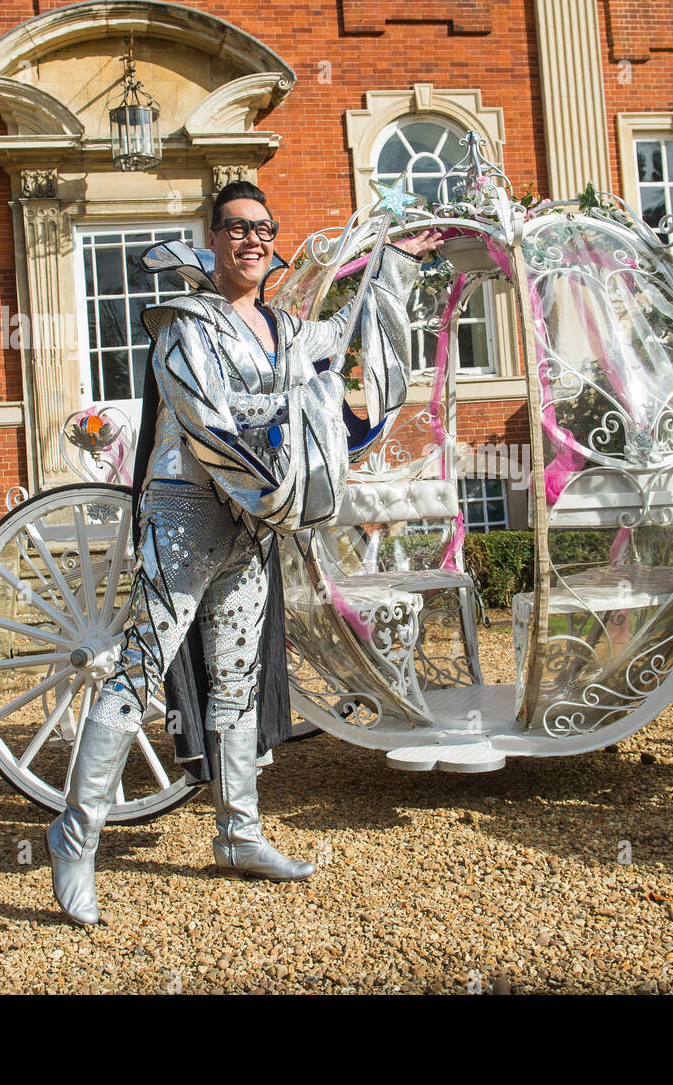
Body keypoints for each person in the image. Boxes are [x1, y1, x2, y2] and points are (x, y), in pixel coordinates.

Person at [45, 181, 441, 925]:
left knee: (237, 680)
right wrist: (284, 502)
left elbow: (363, 357)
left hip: (254, 527)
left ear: (273, 241)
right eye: (236, 228)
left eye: (263, 227)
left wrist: (393, 270)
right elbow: (204, 428)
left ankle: (240, 834)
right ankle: (73, 836)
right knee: (136, 671)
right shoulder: (185, 325)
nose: (251, 239)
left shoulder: (289, 332)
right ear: (215, 239)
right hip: (188, 516)